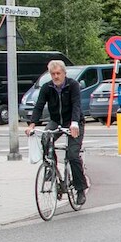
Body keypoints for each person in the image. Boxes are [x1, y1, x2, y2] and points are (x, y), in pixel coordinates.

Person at [26, 60, 89, 205]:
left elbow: (76, 105)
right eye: (53, 74)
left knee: (73, 156)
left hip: (74, 121)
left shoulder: (72, 85)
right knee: (45, 138)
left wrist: (74, 123)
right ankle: (51, 167)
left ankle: (80, 189)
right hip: (57, 121)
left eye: (58, 73)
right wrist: (32, 124)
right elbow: (39, 106)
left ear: (64, 74)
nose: (55, 76)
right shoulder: (47, 87)